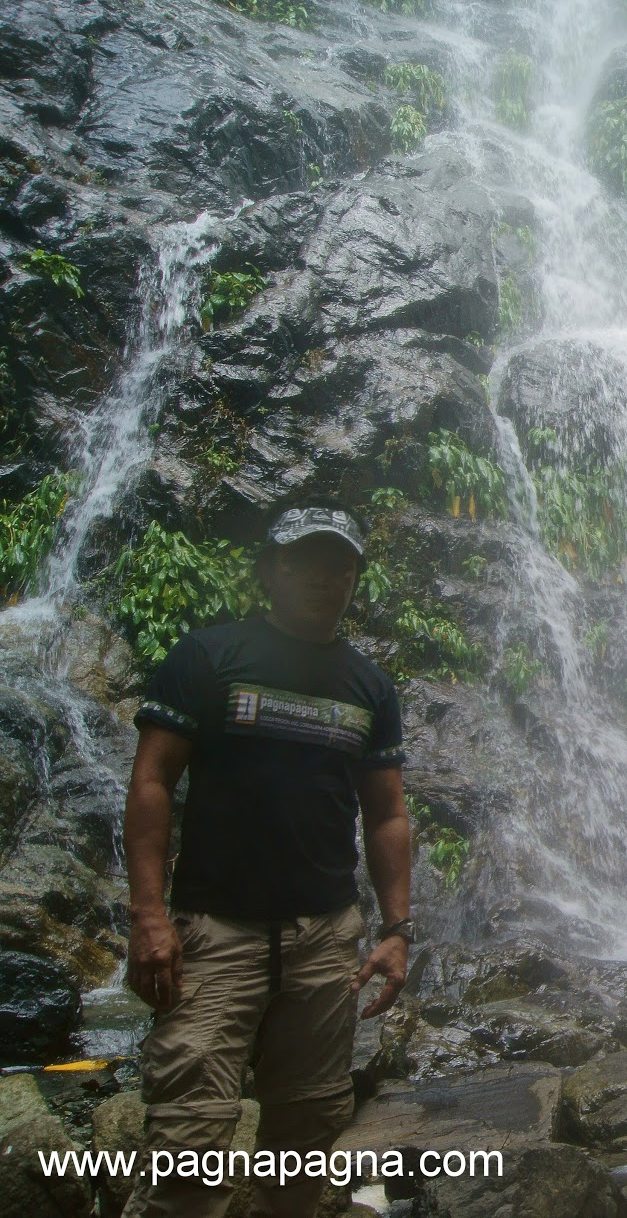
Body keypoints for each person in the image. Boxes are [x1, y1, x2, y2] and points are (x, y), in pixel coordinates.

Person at [121, 501, 413, 1218]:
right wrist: (149, 914)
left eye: (341, 565)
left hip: (323, 941)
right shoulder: (209, 657)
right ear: (271, 570)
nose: (327, 577)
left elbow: (388, 813)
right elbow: (152, 779)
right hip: (214, 935)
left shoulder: (370, 686)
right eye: (308, 561)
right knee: (188, 1140)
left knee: (307, 1137)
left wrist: (398, 928)